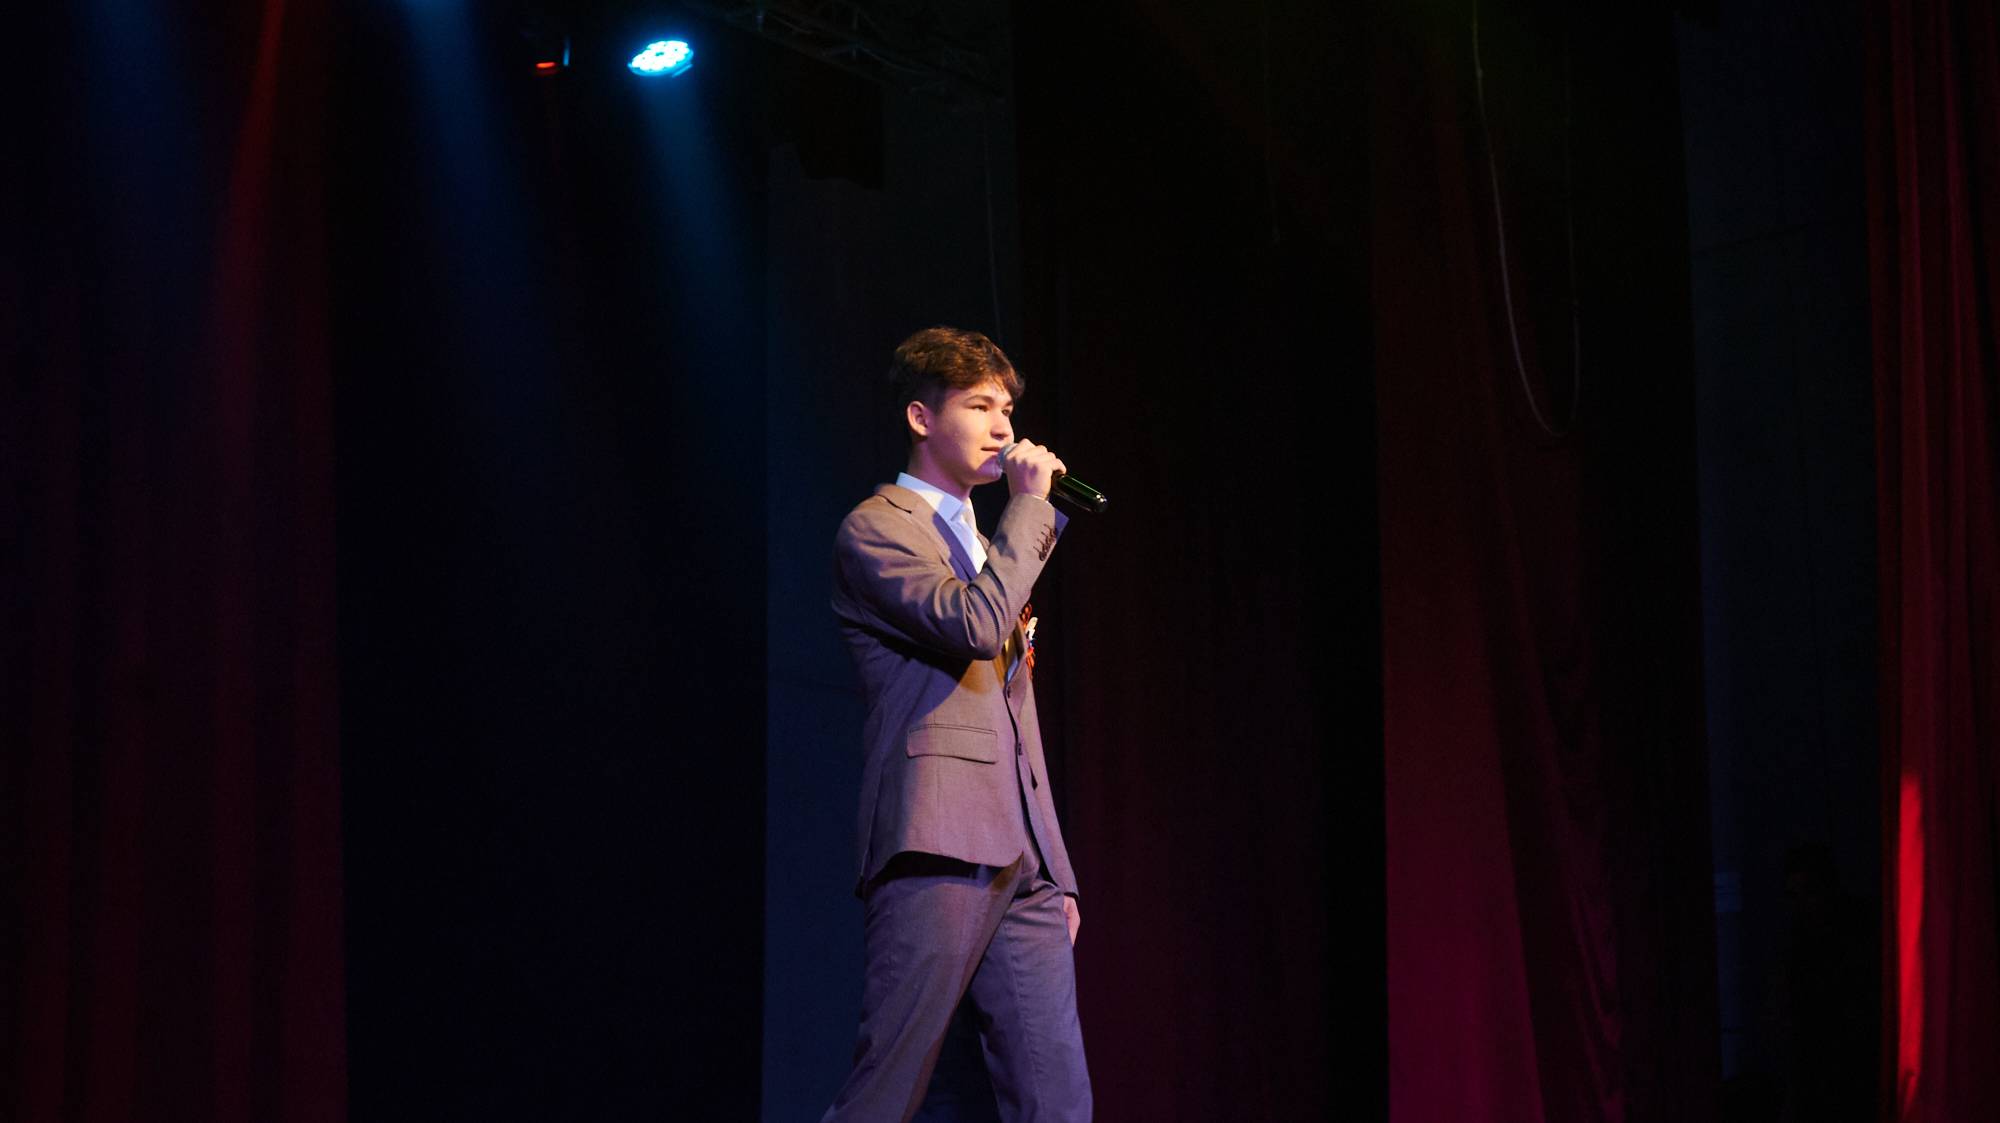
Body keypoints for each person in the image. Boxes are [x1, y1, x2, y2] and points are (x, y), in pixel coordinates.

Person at [821, 327, 1091, 1123]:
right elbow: (972, 624)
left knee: (1058, 1100)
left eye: (1007, 408)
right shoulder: (878, 527)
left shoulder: (992, 540)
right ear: (921, 416)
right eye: (979, 405)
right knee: (888, 1087)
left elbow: (1017, 718)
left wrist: (1057, 868)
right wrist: (1032, 509)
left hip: (1025, 862)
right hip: (937, 838)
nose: (1003, 426)